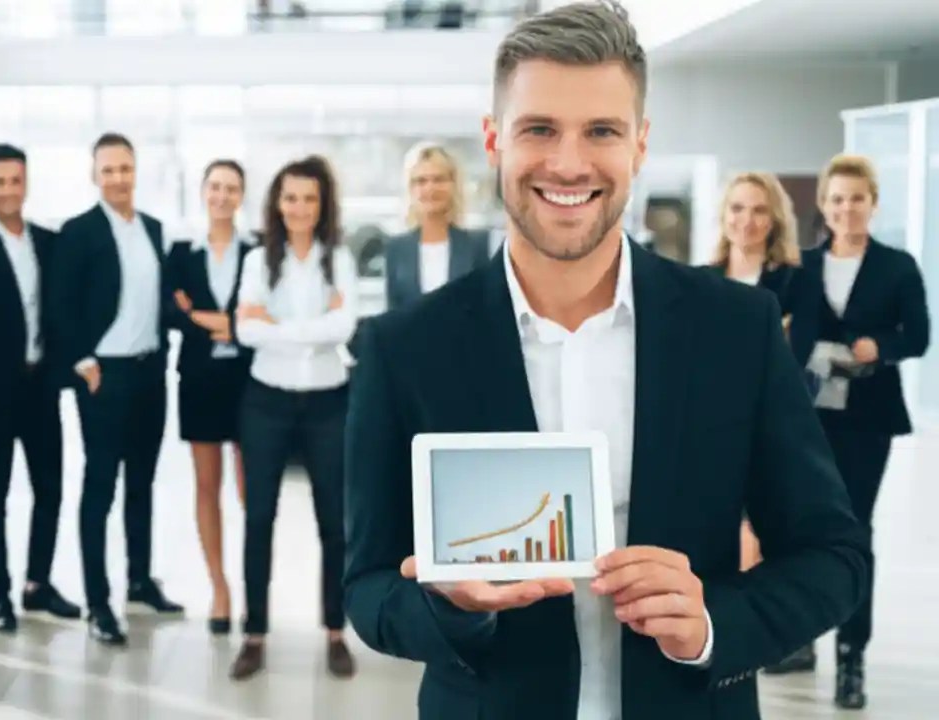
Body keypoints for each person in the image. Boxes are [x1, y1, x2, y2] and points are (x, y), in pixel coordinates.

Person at [343, 3, 871, 719]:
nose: (568, 162)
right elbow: (369, 587)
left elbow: (833, 558)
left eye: (601, 131)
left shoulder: (736, 330)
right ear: (494, 138)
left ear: (640, 145)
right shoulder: (405, 347)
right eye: (538, 129)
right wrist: (451, 607)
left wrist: (713, 623)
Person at [783, 154, 929, 709]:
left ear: (873, 203)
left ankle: (852, 655)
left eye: (857, 199)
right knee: (802, 528)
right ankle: (803, 640)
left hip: (868, 419)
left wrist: (882, 348)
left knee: (855, 531)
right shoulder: (799, 264)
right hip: (805, 418)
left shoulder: (898, 265)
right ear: (823, 205)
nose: (847, 209)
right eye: (837, 199)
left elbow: (918, 336)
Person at [51, 132, 184, 647]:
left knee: (142, 484)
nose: (117, 178)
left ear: (136, 170)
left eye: (124, 168)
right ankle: (98, 603)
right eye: (108, 170)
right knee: (100, 486)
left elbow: (159, 301)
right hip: (104, 376)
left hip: (151, 373)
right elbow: (61, 305)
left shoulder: (152, 227)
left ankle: (139, 580)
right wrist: (84, 363)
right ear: (94, 175)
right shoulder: (79, 231)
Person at [228, 155, 358, 681]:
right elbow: (245, 332)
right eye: (289, 198)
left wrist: (278, 321)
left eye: (308, 198)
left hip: (329, 401)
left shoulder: (340, 259)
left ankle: (335, 631)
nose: (298, 207)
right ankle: (255, 632)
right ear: (276, 204)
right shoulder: (258, 260)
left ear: (321, 205)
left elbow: (345, 326)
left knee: (334, 524)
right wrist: (314, 324)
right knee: (259, 519)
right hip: (266, 402)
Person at [0, 144, 79, 633]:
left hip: (40, 385)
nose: (8, 190)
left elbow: (61, 312)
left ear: (26, 184)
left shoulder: (49, 242)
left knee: (50, 488)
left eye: (16, 180)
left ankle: (38, 584)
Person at [163, 159, 254, 634]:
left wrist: (202, 316)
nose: (222, 195)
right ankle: (219, 587)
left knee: (249, 490)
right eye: (215, 187)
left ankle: (249, 581)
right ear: (203, 192)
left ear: (242, 195)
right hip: (198, 381)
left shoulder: (258, 251)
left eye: (231, 188)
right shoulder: (180, 253)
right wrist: (227, 322)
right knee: (206, 486)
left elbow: (261, 317)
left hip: (248, 382)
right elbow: (170, 314)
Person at [700, 172, 802, 573]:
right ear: (724, 215)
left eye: (760, 209)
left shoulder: (796, 280)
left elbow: (800, 354)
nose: (747, 219)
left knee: (774, 529)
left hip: (774, 421)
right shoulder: (700, 281)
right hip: (713, 421)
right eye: (737, 207)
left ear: (775, 217)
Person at [384, 142, 489, 311]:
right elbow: (392, 314)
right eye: (421, 181)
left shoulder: (477, 245)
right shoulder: (396, 249)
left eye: (439, 179)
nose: (430, 188)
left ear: (454, 185)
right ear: (410, 188)